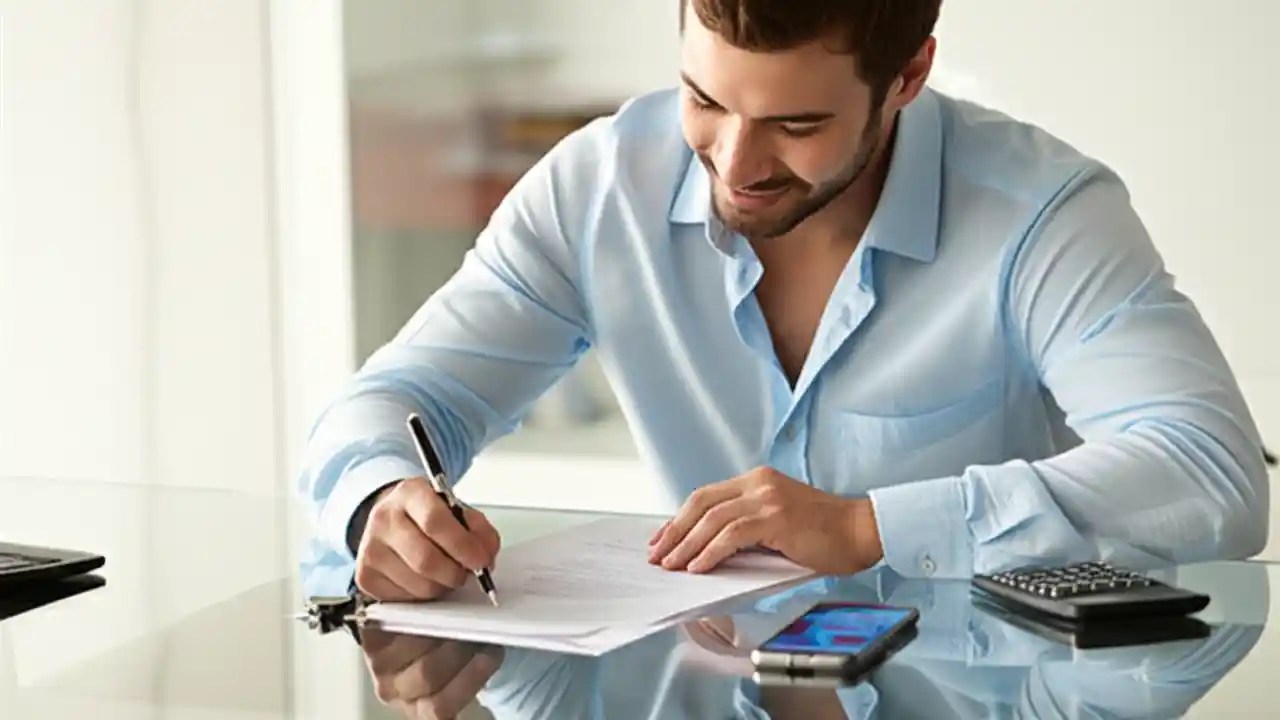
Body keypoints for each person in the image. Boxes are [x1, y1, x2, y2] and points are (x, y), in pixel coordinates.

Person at [299, 0, 1269, 603]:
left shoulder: (1041, 213)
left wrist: (868, 526)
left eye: (795, 124)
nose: (735, 162)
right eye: (704, 100)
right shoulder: (598, 189)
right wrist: (382, 499)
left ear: (908, 77)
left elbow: (1211, 476)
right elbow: (393, 399)